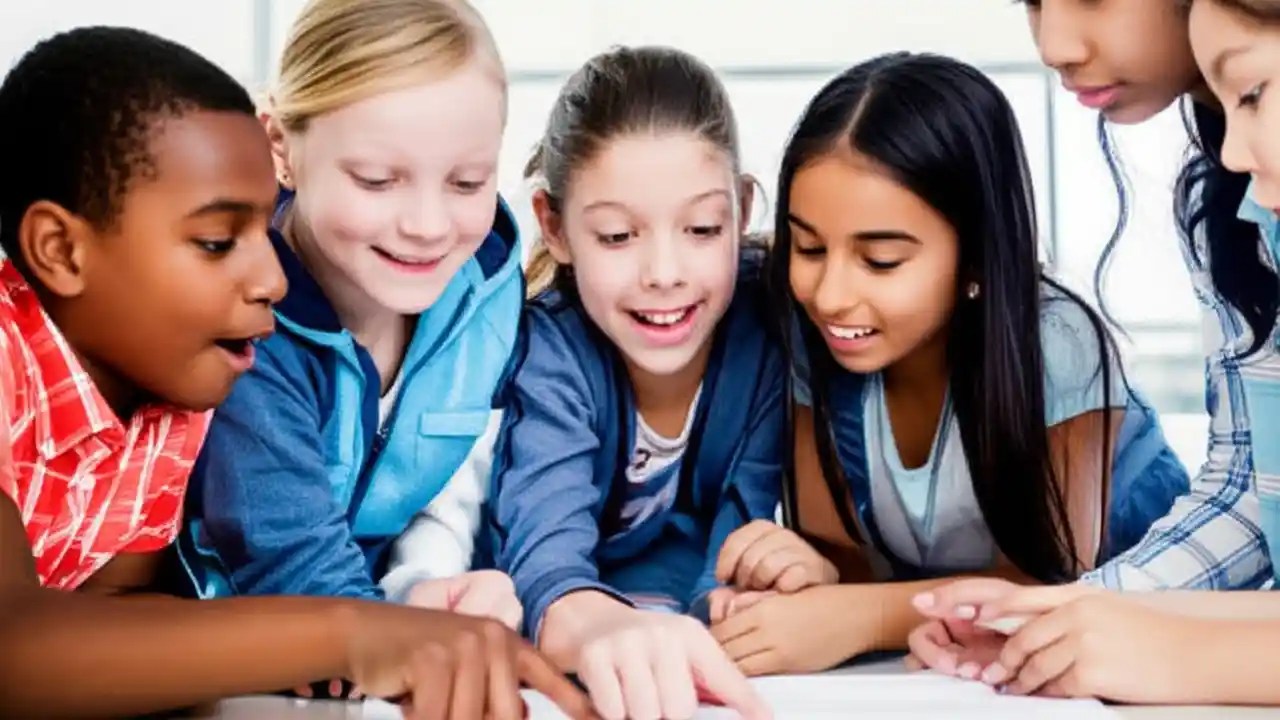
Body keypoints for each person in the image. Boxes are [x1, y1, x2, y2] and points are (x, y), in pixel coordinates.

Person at [0, 25, 591, 720]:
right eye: (219, 242)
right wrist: (348, 634)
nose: (275, 279)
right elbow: (15, 649)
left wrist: (345, 634)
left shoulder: (171, 398)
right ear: (61, 251)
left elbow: (110, 614)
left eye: (260, 233)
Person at [707, 52, 1187, 677]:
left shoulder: (1059, 344)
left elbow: (1043, 584)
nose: (828, 295)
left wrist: (863, 615)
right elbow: (844, 566)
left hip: (1147, 632)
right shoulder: (814, 339)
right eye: (808, 247)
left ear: (976, 263)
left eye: (880, 261)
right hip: (955, 648)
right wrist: (804, 572)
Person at [176, 0, 522, 632]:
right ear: (278, 143)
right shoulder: (248, 321)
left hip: (373, 613)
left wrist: (428, 582)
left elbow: (459, 488)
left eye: (467, 183)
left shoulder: (491, 292)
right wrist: (412, 636)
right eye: (375, 180)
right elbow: (287, 562)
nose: (427, 226)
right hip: (249, 643)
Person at [489, 45, 780, 720]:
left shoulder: (767, 329)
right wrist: (594, 623)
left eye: (703, 229)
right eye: (618, 237)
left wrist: (736, 601)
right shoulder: (550, 346)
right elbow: (543, 555)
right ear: (556, 228)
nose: (663, 272)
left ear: (741, 209)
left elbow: (744, 533)